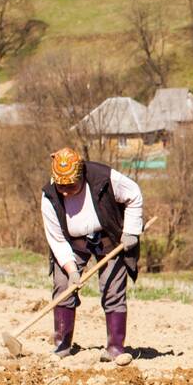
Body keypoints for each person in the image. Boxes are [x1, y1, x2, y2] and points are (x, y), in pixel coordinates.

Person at [40, 147, 143, 366]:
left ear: (81, 175)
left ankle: (115, 348)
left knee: (113, 290)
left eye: (71, 186)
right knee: (62, 285)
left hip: (110, 238)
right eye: (62, 186)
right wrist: (71, 270)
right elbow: (56, 239)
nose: (66, 192)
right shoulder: (49, 197)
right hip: (71, 243)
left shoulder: (104, 178)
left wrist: (131, 231)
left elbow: (134, 194)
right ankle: (62, 346)